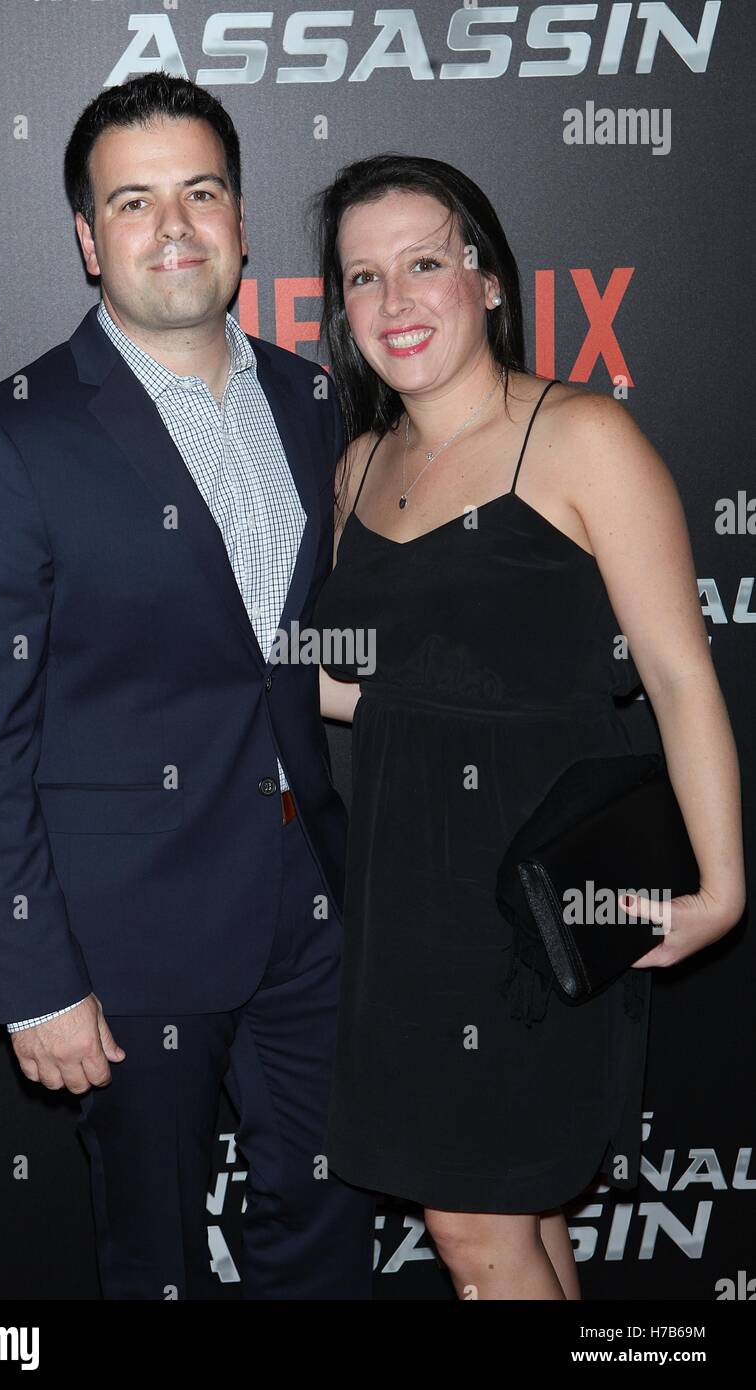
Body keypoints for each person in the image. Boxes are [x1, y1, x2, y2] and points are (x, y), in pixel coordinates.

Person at [0, 72, 375, 1301]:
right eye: (134, 201)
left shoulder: (312, 399)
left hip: (310, 900)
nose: (174, 227)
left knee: (327, 1221)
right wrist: (33, 981)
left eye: (202, 191)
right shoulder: (8, 437)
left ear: (239, 218)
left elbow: (289, 648)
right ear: (87, 238)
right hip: (124, 936)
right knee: (153, 1255)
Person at [310, 153, 746, 1300]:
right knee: (521, 1219)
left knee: (471, 1226)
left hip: (531, 890)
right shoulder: (358, 467)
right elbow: (371, 686)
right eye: (363, 277)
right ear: (341, 311)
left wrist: (721, 885)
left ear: (487, 278)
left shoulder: (584, 437)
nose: (394, 301)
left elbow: (676, 672)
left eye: (422, 263)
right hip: (403, 905)